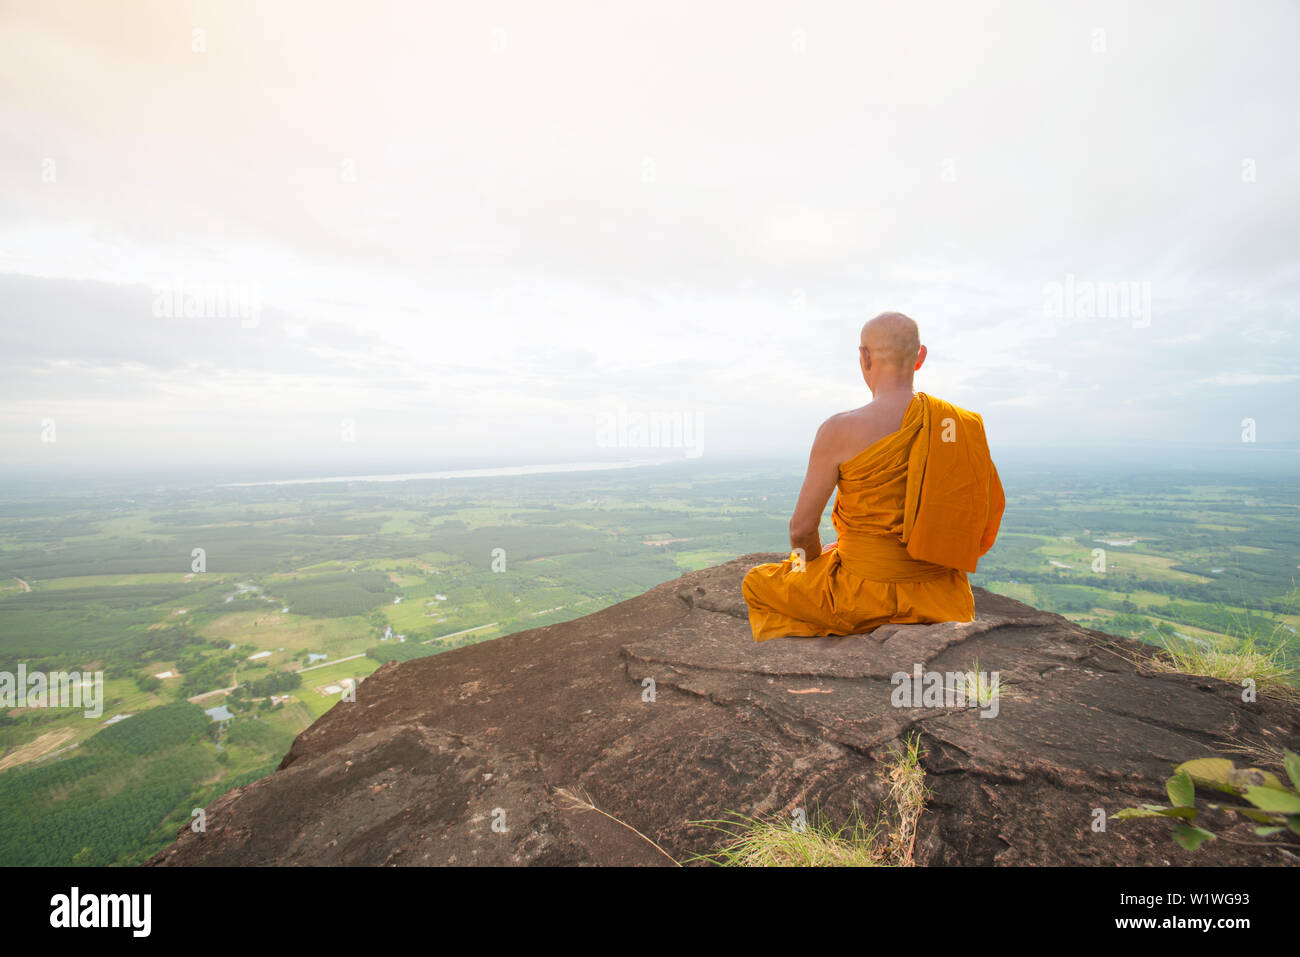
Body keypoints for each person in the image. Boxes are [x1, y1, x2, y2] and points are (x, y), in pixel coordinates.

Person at [742, 312, 1004, 641]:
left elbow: (801, 528)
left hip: (858, 598)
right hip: (941, 600)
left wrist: (801, 571)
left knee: (756, 580)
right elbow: (979, 522)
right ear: (920, 356)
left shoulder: (839, 429)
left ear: (864, 357)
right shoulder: (960, 426)